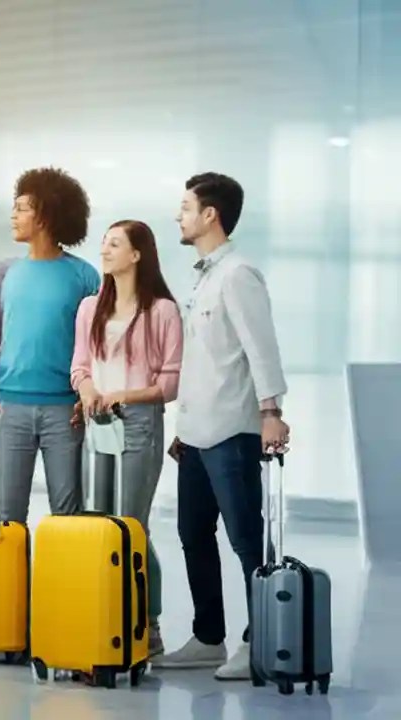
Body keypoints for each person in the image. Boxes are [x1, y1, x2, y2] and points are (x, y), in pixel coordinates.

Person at [158, 172, 291, 680]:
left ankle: (261, 640)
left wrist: (270, 413)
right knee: (194, 534)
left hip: (232, 434)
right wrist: (182, 424)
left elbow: (262, 349)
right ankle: (208, 637)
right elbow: (206, 361)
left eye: (186, 206)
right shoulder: (206, 276)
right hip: (195, 434)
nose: (180, 215)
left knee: (246, 540)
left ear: (210, 214)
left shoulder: (238, 274)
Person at [0, 167, 101, 525]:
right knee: (6, 518)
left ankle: (63, 583)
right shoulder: (5, 272)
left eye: (23, 208)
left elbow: (98, 346)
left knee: (67, 517)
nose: (14, 215)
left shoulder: (85, 276)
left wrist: (87, 394)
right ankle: (13, 583)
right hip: (11, 407)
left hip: (64, 412)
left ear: (46, 215)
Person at [70, 219, 182, 659]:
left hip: (140, 421)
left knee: (133, 526)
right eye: (104, 243)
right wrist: (91, 392)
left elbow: (170, 384)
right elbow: (80, 365)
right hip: (98, 419)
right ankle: (106, 618)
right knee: (99, 523)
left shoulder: (163, 311)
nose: (105, 250)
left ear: (137, 254)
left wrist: (123, 395)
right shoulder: (88, 308)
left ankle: (147, 623)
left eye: (115, 244)